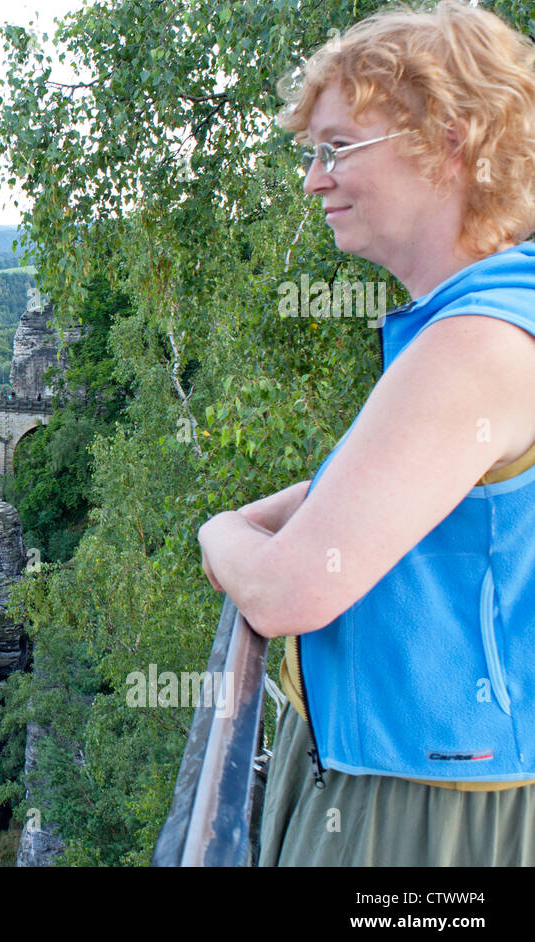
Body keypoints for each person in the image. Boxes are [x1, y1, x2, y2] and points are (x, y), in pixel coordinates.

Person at [197, 0, 535, 866]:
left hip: (428, 815)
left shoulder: (475, 345)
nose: (314, 179)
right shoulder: (487, 316)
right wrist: (299, 520)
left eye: (339, 146)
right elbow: (399, 493)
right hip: (419, 778)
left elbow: (282, 596)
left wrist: (222, 533)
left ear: (450, 142)